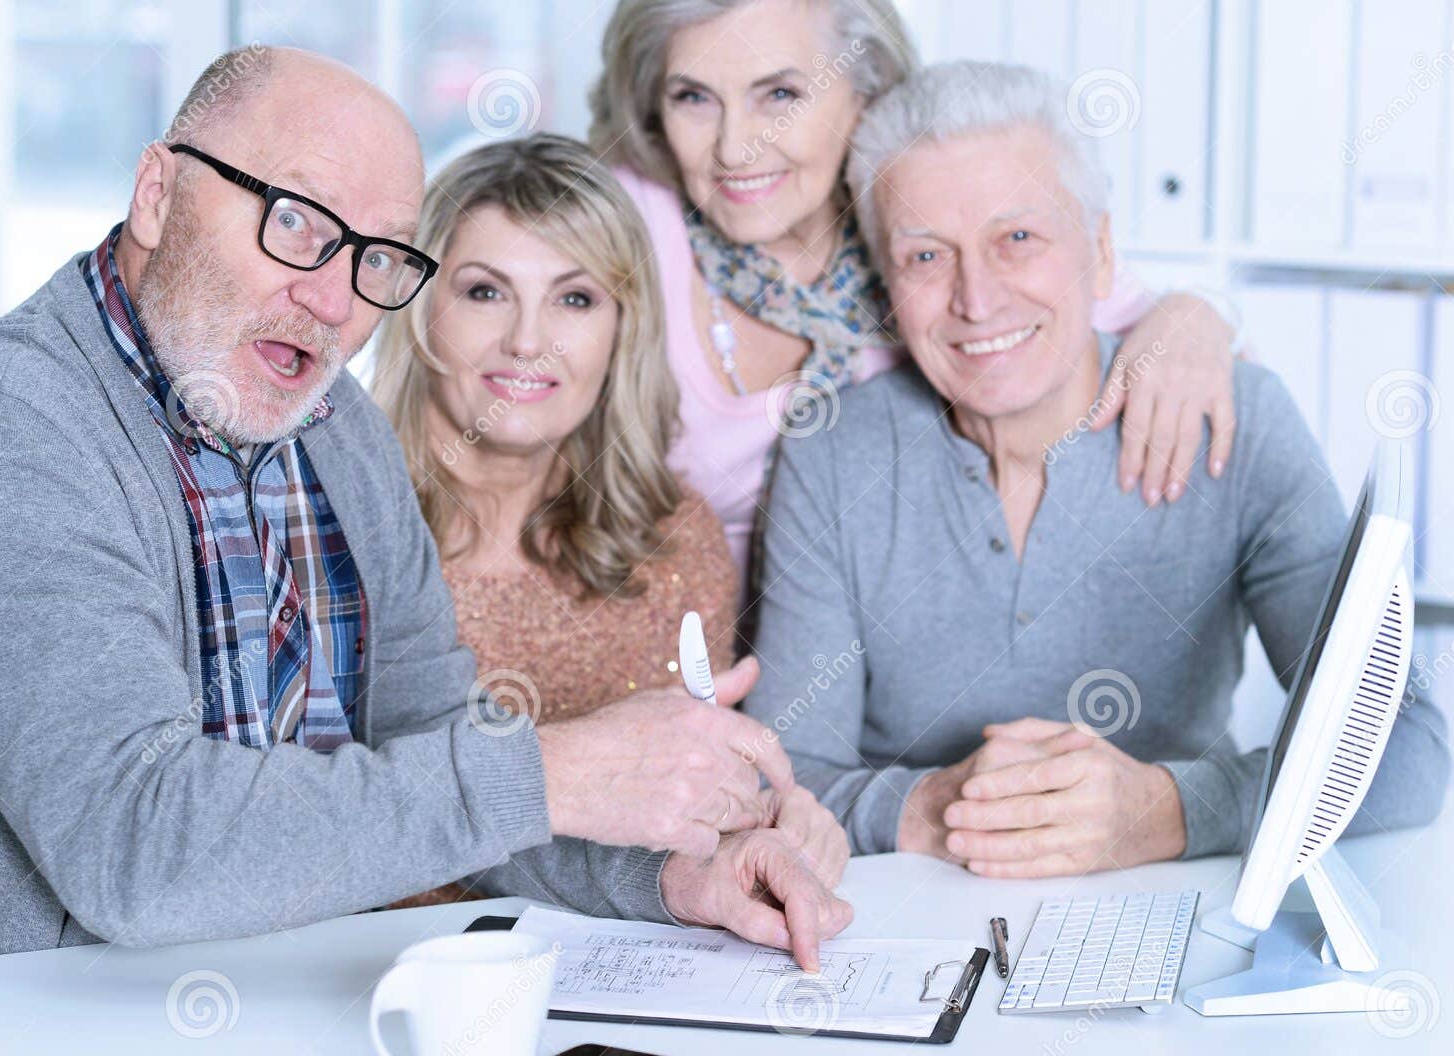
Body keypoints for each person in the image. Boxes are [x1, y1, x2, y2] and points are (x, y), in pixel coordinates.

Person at [0, 47, 850, 971]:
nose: (335, 303)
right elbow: (139, 852)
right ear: (157, 195)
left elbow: (437, 765)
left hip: (309, 1019)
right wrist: (557, 771)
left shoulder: (333, 429)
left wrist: (669, 880)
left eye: (377, 258)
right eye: (296, 223)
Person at [744, 60, 1450, 874]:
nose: (978, 299)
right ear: (888, 285)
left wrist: (1168, 809)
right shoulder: (833, 453)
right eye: (927, 257)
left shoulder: (1236, 419)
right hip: (901, 928)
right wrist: (928, 809)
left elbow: (1406, 750)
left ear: (1102, 251)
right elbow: (784, 777)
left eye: (1018, 239)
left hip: (1160, 913)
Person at [590, 0, 1240, 588]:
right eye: (693, 98)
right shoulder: (623, 222)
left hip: (878, 670)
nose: (735, 147)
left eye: (780, 93)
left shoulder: (936, 233)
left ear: (867, 95)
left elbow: (1121, 299)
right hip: (650, 656)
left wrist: (1195, 316)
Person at [372, 134, 850, 901]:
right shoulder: (334, 525)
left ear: (622, 329)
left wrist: (769, 823)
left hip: (611, 966)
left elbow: (688, 820)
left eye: (575, 298)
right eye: (484, 292)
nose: (528, 340)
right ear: (422, 307)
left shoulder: (669, 540)